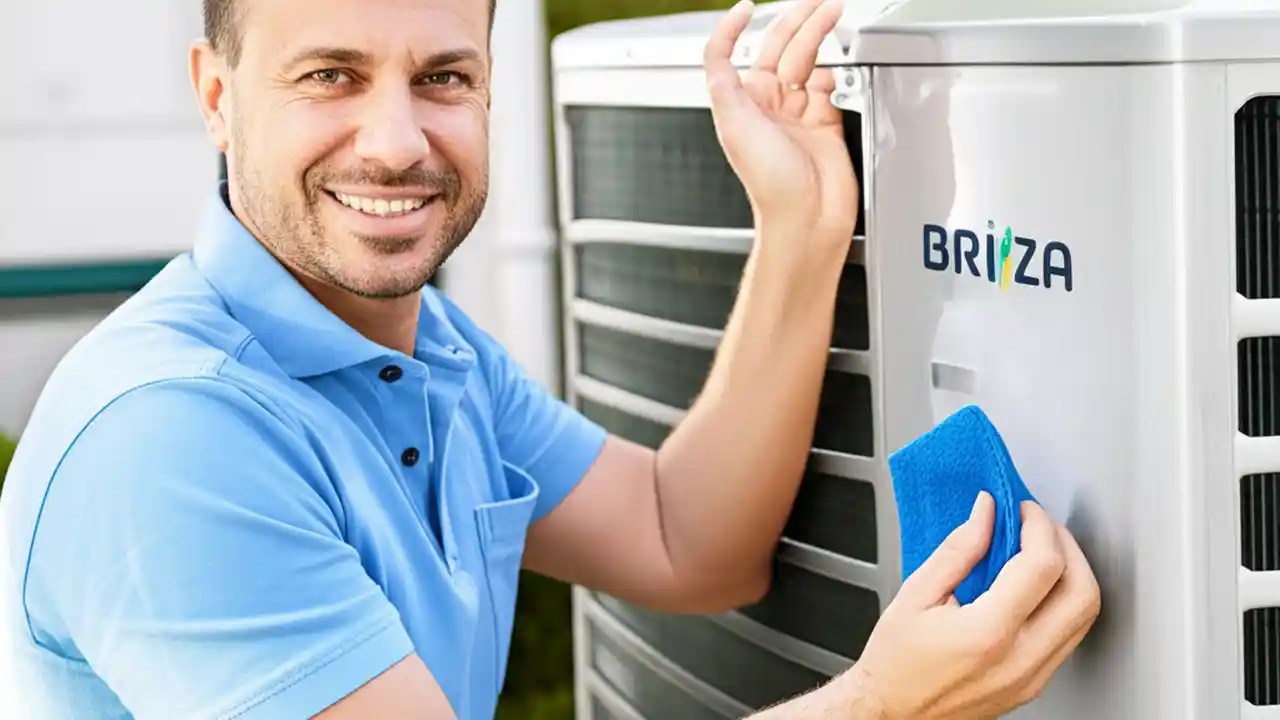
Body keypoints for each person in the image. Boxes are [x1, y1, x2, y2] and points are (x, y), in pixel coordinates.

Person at [0, 0, 1101, 717]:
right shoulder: (169, 436)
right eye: (330, 75)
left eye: (443, 77)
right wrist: (879, 704)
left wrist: (801, 224)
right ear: (216, 96)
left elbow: (686, 539)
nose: (396, 142)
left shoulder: (433, 354)